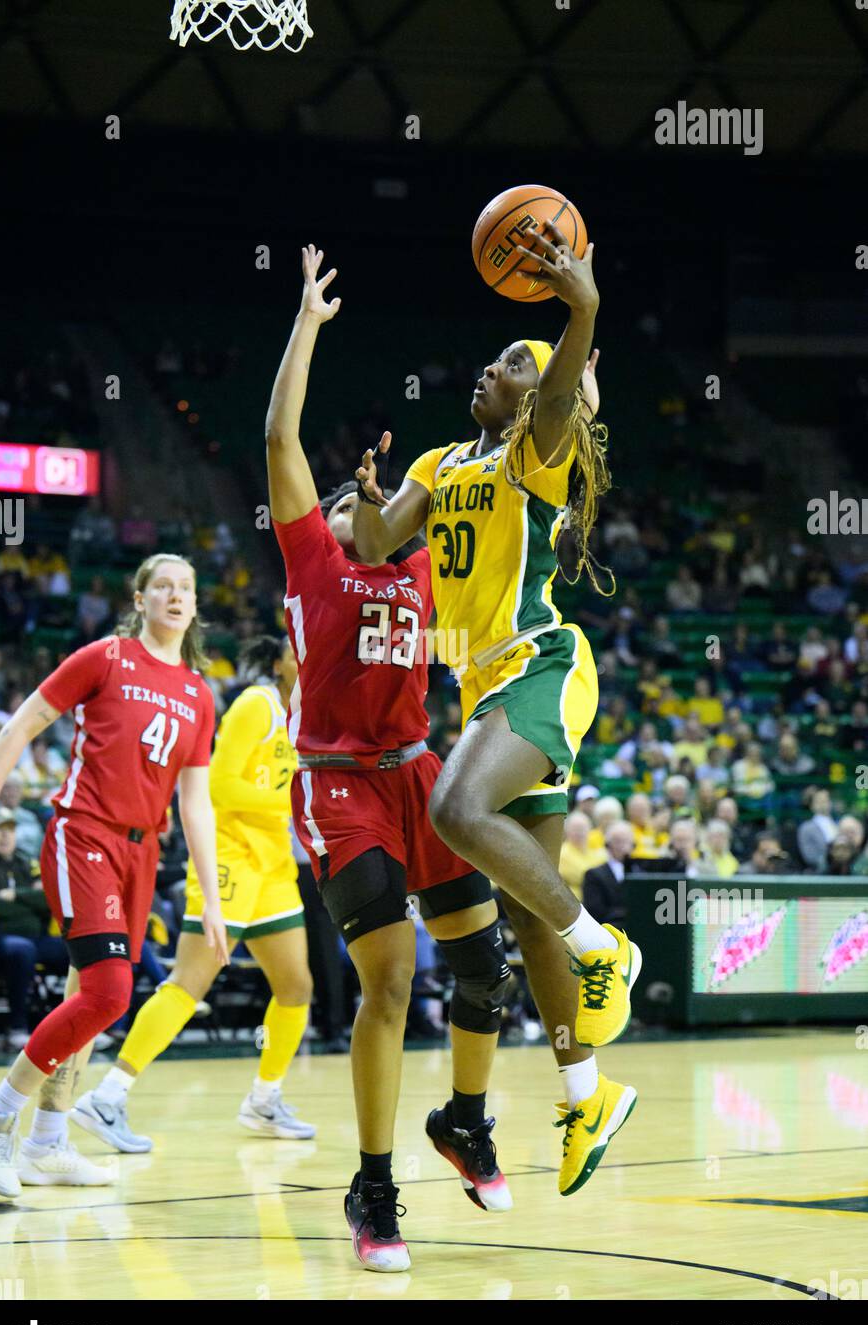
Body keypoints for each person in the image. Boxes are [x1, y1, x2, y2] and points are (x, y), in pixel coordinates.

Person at [352, 229, 641, 1196]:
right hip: (485, 690)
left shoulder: (533, 452)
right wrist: (362, 502)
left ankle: (607, 946)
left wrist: (581, 309)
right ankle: (585, 1092)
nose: (495, 366)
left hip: (542, 666)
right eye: (492, 357)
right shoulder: (439, 460)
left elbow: (559, 394)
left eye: (514, 361)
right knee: (522, 910)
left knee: (454, 814)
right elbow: (378, 540)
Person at [264, 246, 513, 1273]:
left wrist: (553, 400)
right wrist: (310, 324)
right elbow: (278, 434)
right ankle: (373, 1185)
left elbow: (483, 489)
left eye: (359, 499)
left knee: (484, 972)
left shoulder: (416, 559)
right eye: (333, 501)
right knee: (393, 979)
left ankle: (463, 1117)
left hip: (419, 771)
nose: (345, 505)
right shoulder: (315, 559)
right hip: (336, 782)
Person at [0, 554, 227, 1199]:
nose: (175, 595)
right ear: (140, 598)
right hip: (84, 835)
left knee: (91, 997)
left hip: (142, 854)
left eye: (185, 587)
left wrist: (212, 898)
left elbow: (195, 803)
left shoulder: (198, 692)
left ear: (193, 606)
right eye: (162, 584)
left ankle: (46, 1143)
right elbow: (21, 725)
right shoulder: (104, 658)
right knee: (108, 992)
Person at [73, 633, 318, 1151]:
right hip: (228, 861)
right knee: (189, 983)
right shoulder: (257, 704)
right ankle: (108, 1095)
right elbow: (220, 787)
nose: (309, 657)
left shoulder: (310, 717)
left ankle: (264, 1099)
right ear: (278, 661)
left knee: (296, 987)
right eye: (297, 649)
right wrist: (294, 802)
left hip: (273, 866)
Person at [0, 808, 67, 1049]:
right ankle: (17, 1026)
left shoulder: (27, 861)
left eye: (10, 830)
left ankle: (68, 1027)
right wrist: (30, 898)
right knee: (21, 950)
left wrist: (15, 895)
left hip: (34, 937)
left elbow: (51, 899)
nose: (5, 836)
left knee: (74, 950)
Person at [581, 821, 635, 929]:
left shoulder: (641, 872)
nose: (622, 846)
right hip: (608, 931)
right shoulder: (594, 875)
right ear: (607, 844)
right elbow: (595, 912)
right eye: (617, 841)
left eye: (625, 841)